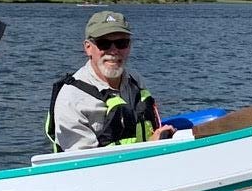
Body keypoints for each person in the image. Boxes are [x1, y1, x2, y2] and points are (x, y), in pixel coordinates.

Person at [45, 11, 175, 152]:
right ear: (88, 47)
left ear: (129, 46)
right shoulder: (70, 99)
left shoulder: (135, 80)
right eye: (104, 44)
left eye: (121, 43)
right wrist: (151, 146)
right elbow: (85, 163)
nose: (113, 51)